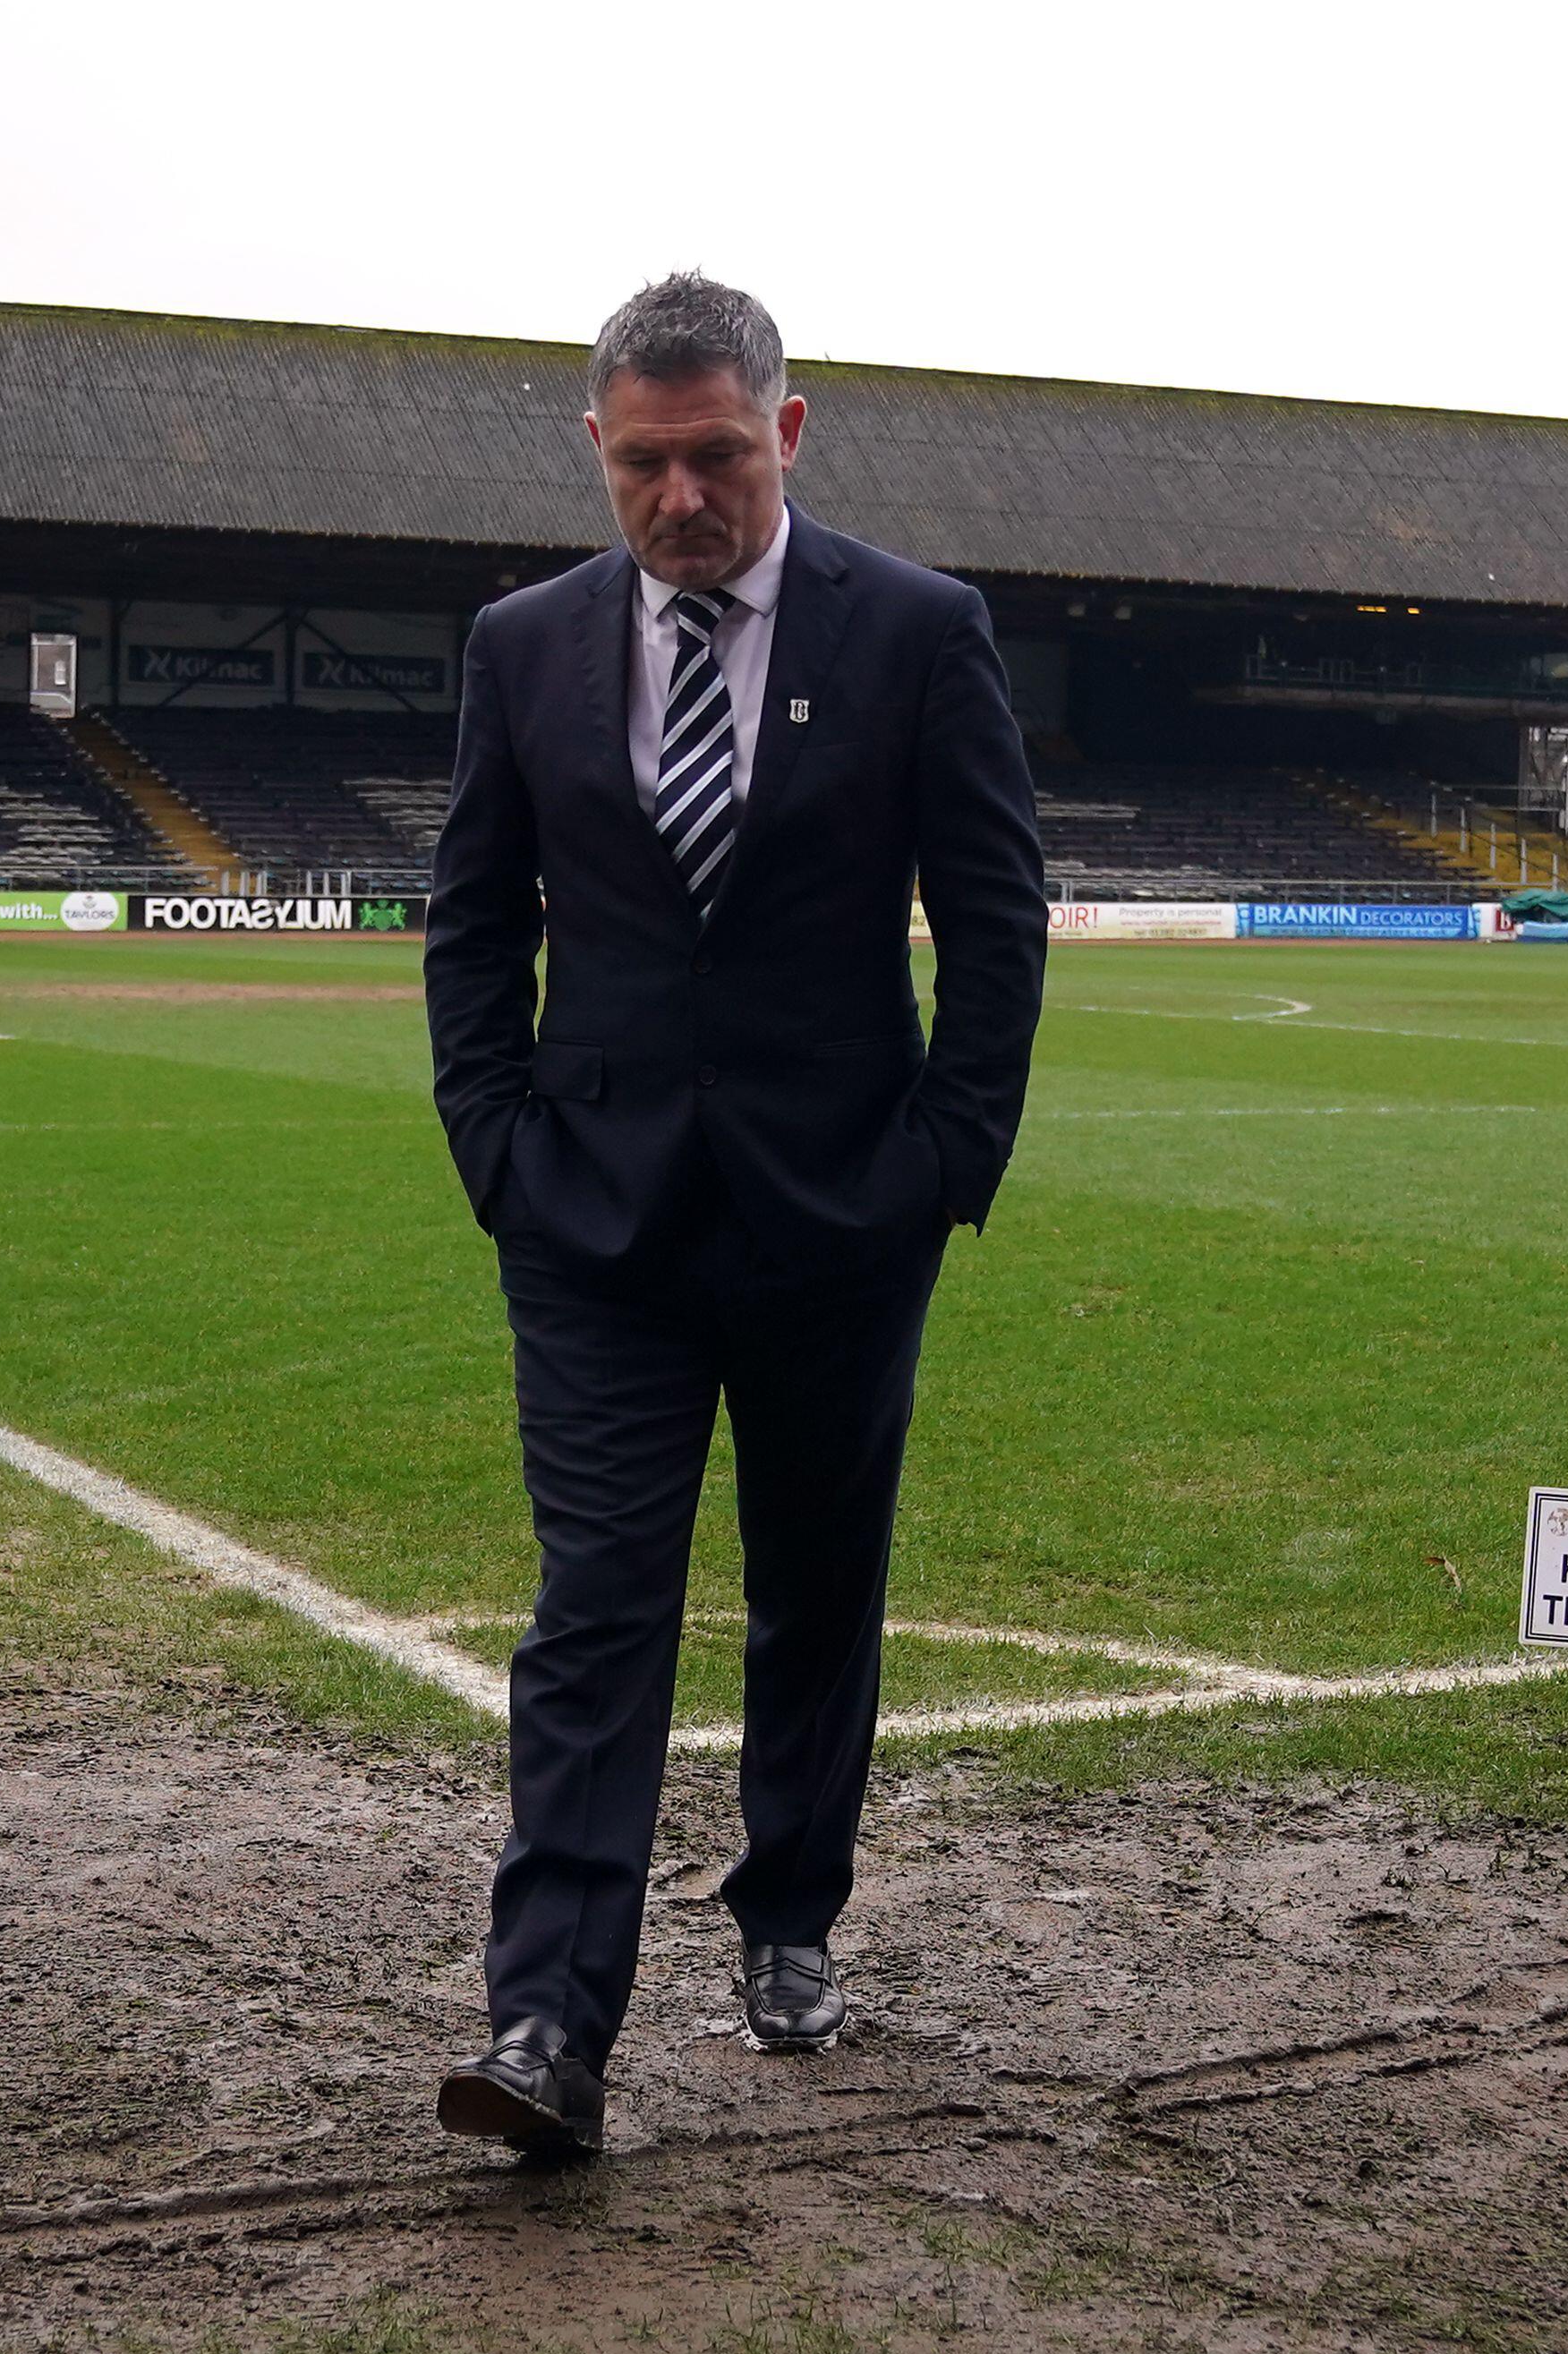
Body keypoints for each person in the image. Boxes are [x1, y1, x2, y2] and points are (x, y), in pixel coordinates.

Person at [423, 272, 1048, 2157]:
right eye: (640, 463)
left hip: (835, 1218)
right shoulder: (522, 642)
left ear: (782, 432)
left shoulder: (918, 632)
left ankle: (787, 1912)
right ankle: (544, 2021)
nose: (677, 497)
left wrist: (939, 1166)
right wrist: (496, 1150)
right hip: (592, 1223)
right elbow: (472, 917)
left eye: (711, 456)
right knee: (594, 1608)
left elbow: (995, 915)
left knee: (811, 1591)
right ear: (595, 454)